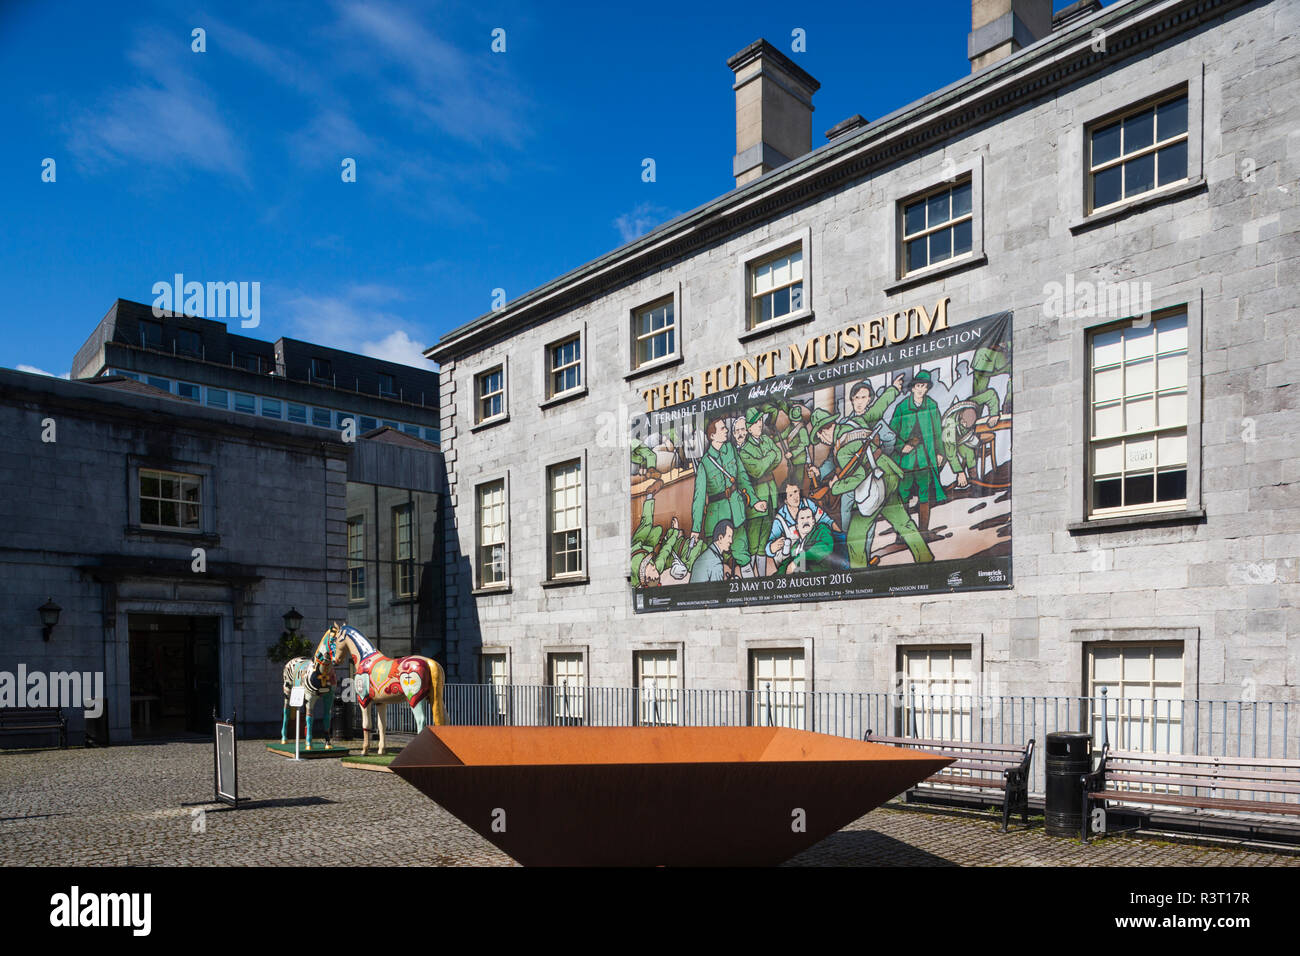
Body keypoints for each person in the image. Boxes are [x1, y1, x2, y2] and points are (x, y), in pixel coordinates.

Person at [827, 418, 932, 566]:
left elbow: (859, 477)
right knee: (903, 522)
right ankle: (925, 557)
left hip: (875, 486)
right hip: (888, 475)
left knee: (855, 535)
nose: (823, 440)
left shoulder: (843, 451)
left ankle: (859, 575)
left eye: (820, 436)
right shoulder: (855, 426)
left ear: (825, 431)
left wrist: (836, 487)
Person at [689, 417, 766, 573]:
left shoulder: (730, 449)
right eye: (722, 428)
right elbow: (699, 498)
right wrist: (696, 529)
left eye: (725, 427)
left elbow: (742, 477)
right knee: (715, 561)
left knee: (743, 556)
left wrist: (755, 501)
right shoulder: (705, 463)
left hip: (736, 514)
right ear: (712, 436)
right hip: (717, 519)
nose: (727, 430)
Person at [889, 369, 947, 534]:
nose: (921, 389)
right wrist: (901, 447)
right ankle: (904, 534)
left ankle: (923, 532)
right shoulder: (902, 408)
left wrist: (940, 452)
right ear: (913, 387)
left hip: (924, 458)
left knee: (924, 495)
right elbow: (891, 433)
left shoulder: (932, 405)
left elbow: (937, 431)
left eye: (925, 386)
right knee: (903, 495)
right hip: (906, 460)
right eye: (918, 386)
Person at [736, 408, 782, 575]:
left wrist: (766, 460)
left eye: (760, 421)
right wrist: (768, 459)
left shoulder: (766, 440)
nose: (759, 424)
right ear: (748, 428)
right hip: (755, 500)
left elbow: (779, 455)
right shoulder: (745, 450)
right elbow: (757, 470)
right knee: (754, 543)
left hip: (771, 495)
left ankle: (761, 577)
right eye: (755, 422)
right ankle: (753, 579)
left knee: (764, 542)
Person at [766, 479, 832, 561]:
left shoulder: (807, 503)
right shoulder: (780, 518)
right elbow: (768, 547)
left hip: (814, 550)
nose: (795, 497)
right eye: (790, 495)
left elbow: (826, 520)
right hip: (794, 557)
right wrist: (771, 548)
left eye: (795, 491)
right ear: (785, 500)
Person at [775, 504, 835, 574]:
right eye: (802, 518)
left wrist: (797, 561)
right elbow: (786, 565)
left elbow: (824, 547)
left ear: (813, 521)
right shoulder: (795, 546)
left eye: (808, 517)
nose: (805, 521)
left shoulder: (821, 529)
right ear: (797, 526)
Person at [940, 400, 981, 491]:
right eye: (964, 424)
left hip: (959, 440)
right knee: (940, 462)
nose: (965, 425)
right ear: (961, 419)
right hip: (943, 444)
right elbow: (950, 452)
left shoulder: (970, 412)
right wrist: (960, 472)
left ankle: (975, 481)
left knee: (969, 453)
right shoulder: (949, 425)